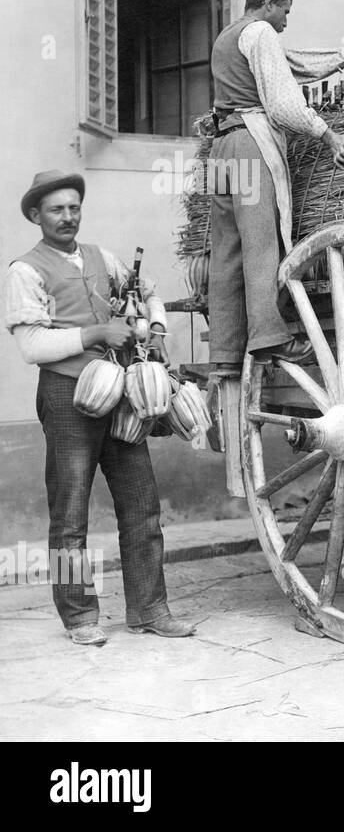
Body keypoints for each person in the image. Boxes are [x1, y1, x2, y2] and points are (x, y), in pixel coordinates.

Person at [4, 170, 196, 645]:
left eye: (73, 207)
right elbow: (31, 345)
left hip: (121, 394)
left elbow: (147, 291)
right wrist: (96, 334)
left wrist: (153, 327)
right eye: (56, 209)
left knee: (142, 506)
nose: (67, 216)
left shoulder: (101, 258)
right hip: (68, 397)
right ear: (35, 215)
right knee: (70, 514)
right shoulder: (25, 271)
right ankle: (79, 617)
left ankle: (150, 608)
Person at [206, 0, 344, 367]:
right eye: (285, 11)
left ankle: (225, 351)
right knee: (260, 241)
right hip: (249, 147)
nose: (285, 21)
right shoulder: (262, 33)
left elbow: (292, 65)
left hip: (220, 151)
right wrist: (327, 134)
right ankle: (268, 335)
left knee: (227, 250)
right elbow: (284, 102)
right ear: (270, 2)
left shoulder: (228, 38)